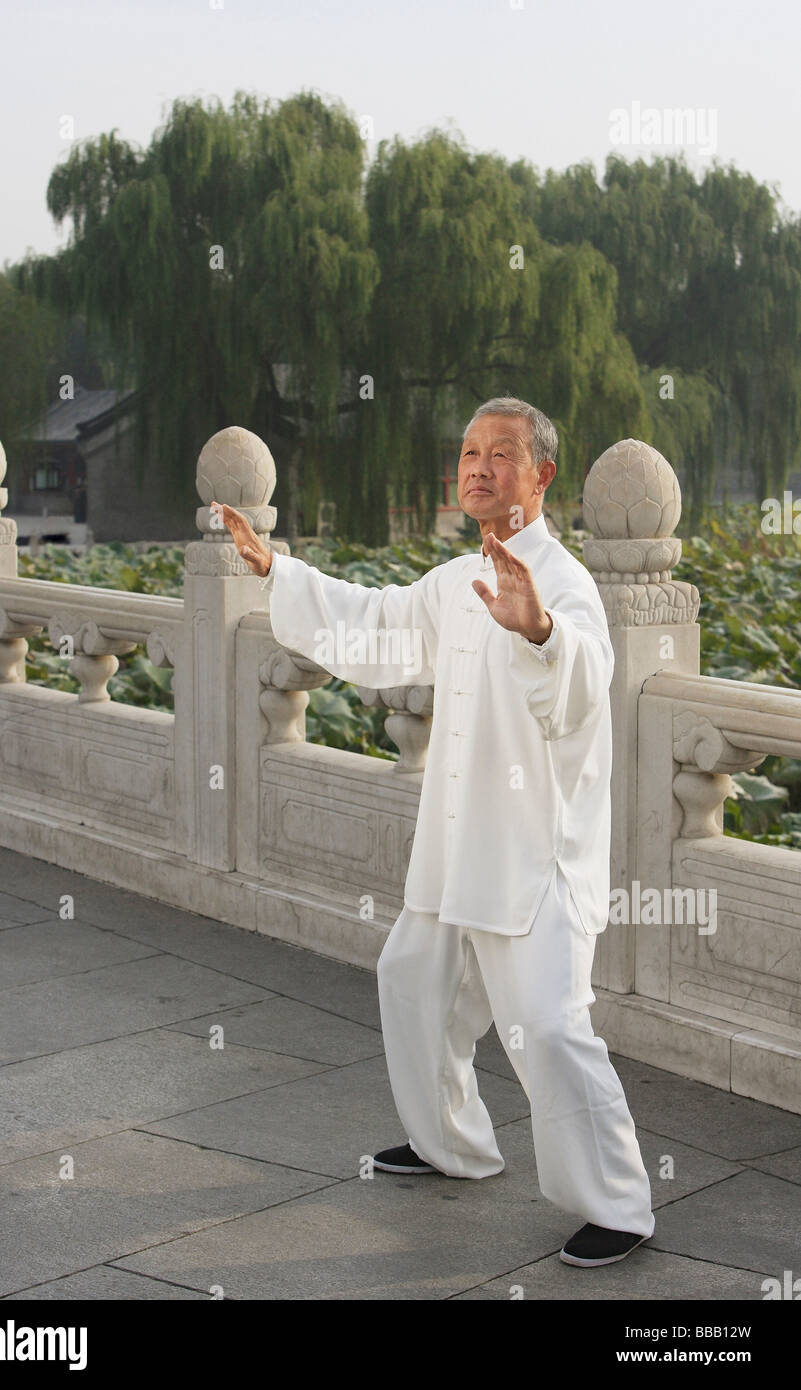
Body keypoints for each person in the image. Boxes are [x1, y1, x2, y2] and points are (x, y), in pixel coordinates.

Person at [214, 396, 655, 1268]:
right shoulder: (456, 581)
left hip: (533, 861)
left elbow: (580, 686)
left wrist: (535, 628)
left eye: (501, 453)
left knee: (549, 1028)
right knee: (412, 981)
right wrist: (279, 573)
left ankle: (619, 1205)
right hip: (454, 848)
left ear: (541, 475)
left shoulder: (562, 585)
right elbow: (378, 625)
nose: (478, 467)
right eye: (468, 452)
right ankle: (452, 1144)